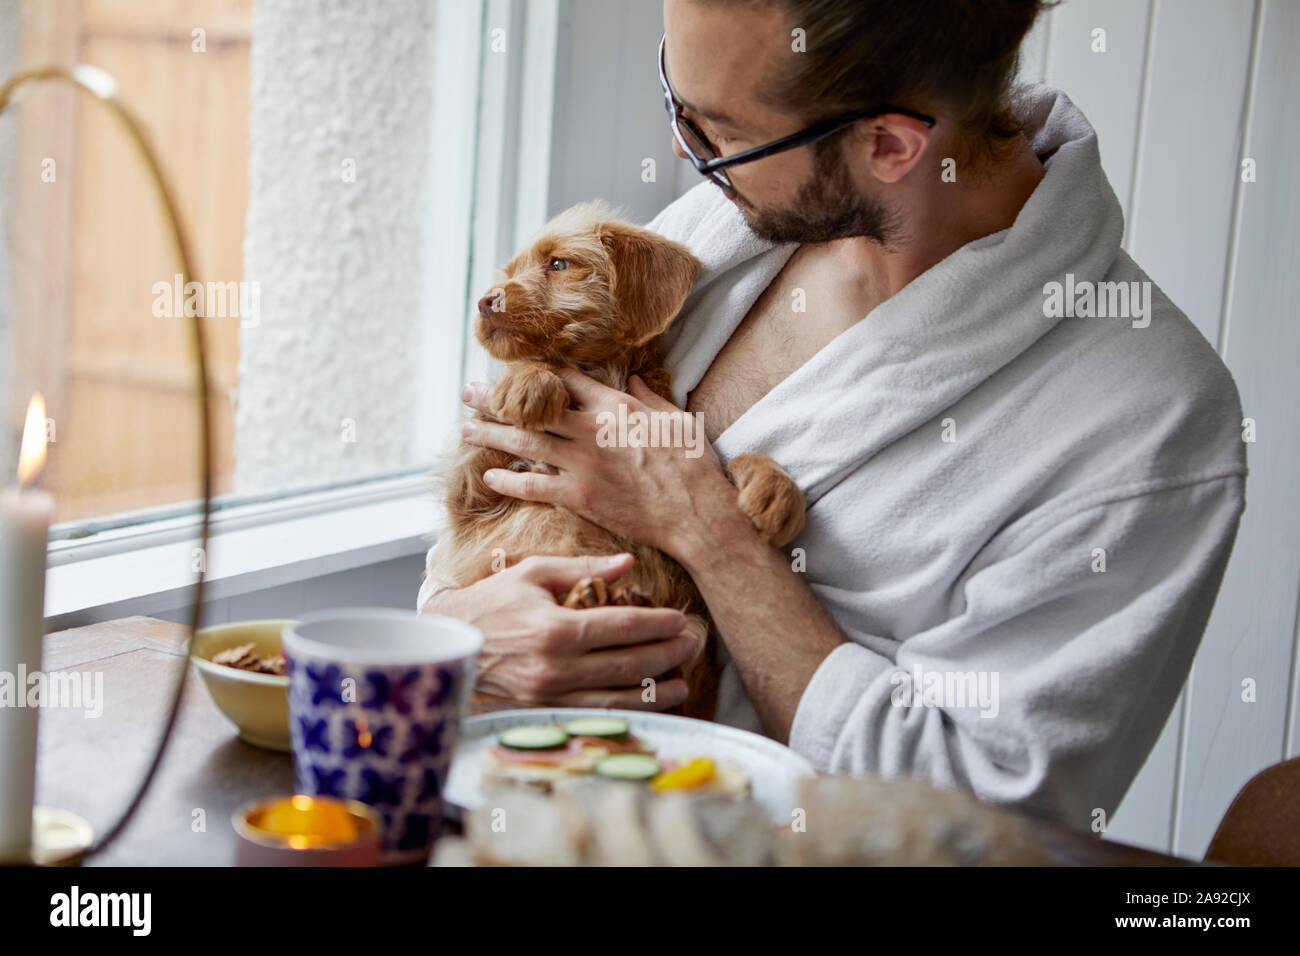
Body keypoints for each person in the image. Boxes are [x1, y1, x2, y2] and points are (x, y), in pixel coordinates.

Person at [419, 0, 1247, 831]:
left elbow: (982, 817)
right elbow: (504, 498)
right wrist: (461, 635)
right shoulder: (721, 227)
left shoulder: (1148, 424)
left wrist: (705, 525)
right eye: (677, 97)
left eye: (721, 132)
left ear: (889, 144)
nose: (683, 149)